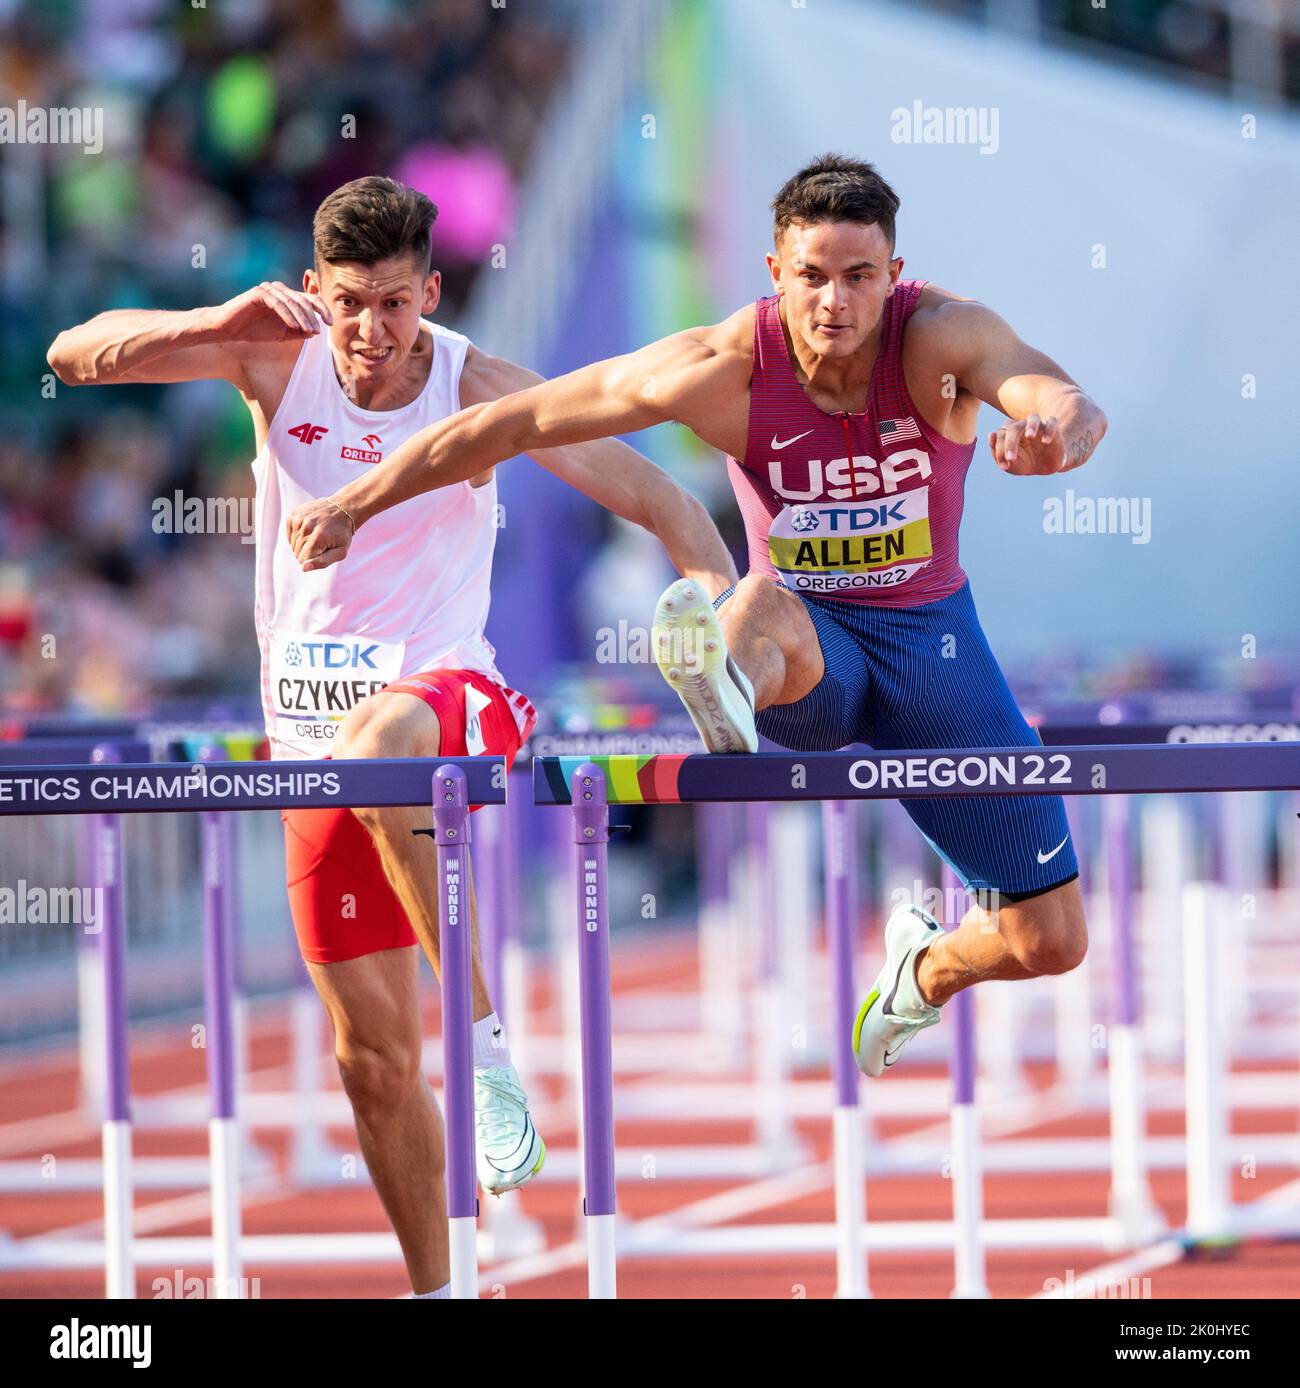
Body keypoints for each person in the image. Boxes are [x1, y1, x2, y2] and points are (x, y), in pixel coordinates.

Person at [46, 175, 740, 1297]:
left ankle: (485, 1049)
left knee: (382, 745)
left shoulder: (480, 385)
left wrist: (713, 588)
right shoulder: (272, 355)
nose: (372, 334)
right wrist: (207, 327)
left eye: (396, 304)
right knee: (369, 1061)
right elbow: (78, 352)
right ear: (317, 291)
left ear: (430, 288)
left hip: (448, 700)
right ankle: (443, 1288)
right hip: (309, 741)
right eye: (351, 304)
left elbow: (652, 490)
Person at [284, 153, 1108, 1082]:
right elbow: (508, 424)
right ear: (774, 273)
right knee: (757, 599)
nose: (833, 303)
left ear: (893, 274)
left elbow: (1055, 391)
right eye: (811, 278)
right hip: (809, 652)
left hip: (936, 650)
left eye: (858, 278)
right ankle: (726, 688)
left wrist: (1055, 438)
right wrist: (358, 502)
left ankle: (921, 965)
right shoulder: (722, 369)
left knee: (1051, 939)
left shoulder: (941, 340)